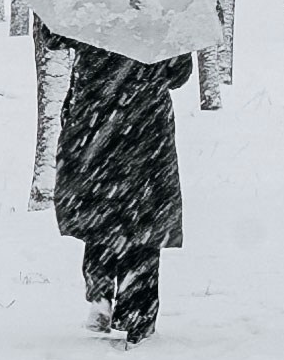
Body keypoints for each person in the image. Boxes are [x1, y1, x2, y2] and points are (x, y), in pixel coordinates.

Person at [49, 40, 187, 342]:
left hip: (95, 124)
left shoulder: (95, 9)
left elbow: (53, 37)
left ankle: (100, 292)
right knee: (143, 223)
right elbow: (178, 74)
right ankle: (137, 314)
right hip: (146, 131)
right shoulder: (162, 16)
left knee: (102, 214)